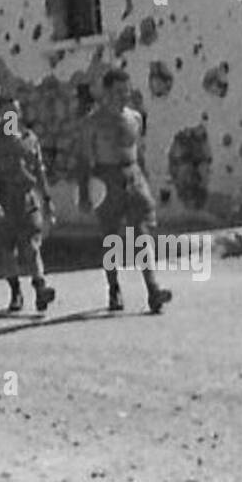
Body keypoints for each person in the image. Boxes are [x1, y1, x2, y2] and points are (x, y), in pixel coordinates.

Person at [79, 69, 172, 314]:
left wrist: (143, 179)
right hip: (106, 178)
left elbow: (138, 151)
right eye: (119, 91)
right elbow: (85, 159)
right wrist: (85, 191)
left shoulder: (135, 118)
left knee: (141, 233)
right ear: (106, 92)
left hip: (132, 177)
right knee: (111, 239)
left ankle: (153, 289)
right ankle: (113, 288)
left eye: (126, 90)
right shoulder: (93, 122)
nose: (124, 96)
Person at [0, 95, 57, 314]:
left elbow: (39, 172)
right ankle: (15, 292)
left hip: (27, 198)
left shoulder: (29, 138)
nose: (10, 115)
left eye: (14, 110)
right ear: (0, 114)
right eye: (6, 111)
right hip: (4, 199)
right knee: (8, 250)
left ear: (19, 113)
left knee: (32, 246)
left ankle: (40, 288)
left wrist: (48, 200)